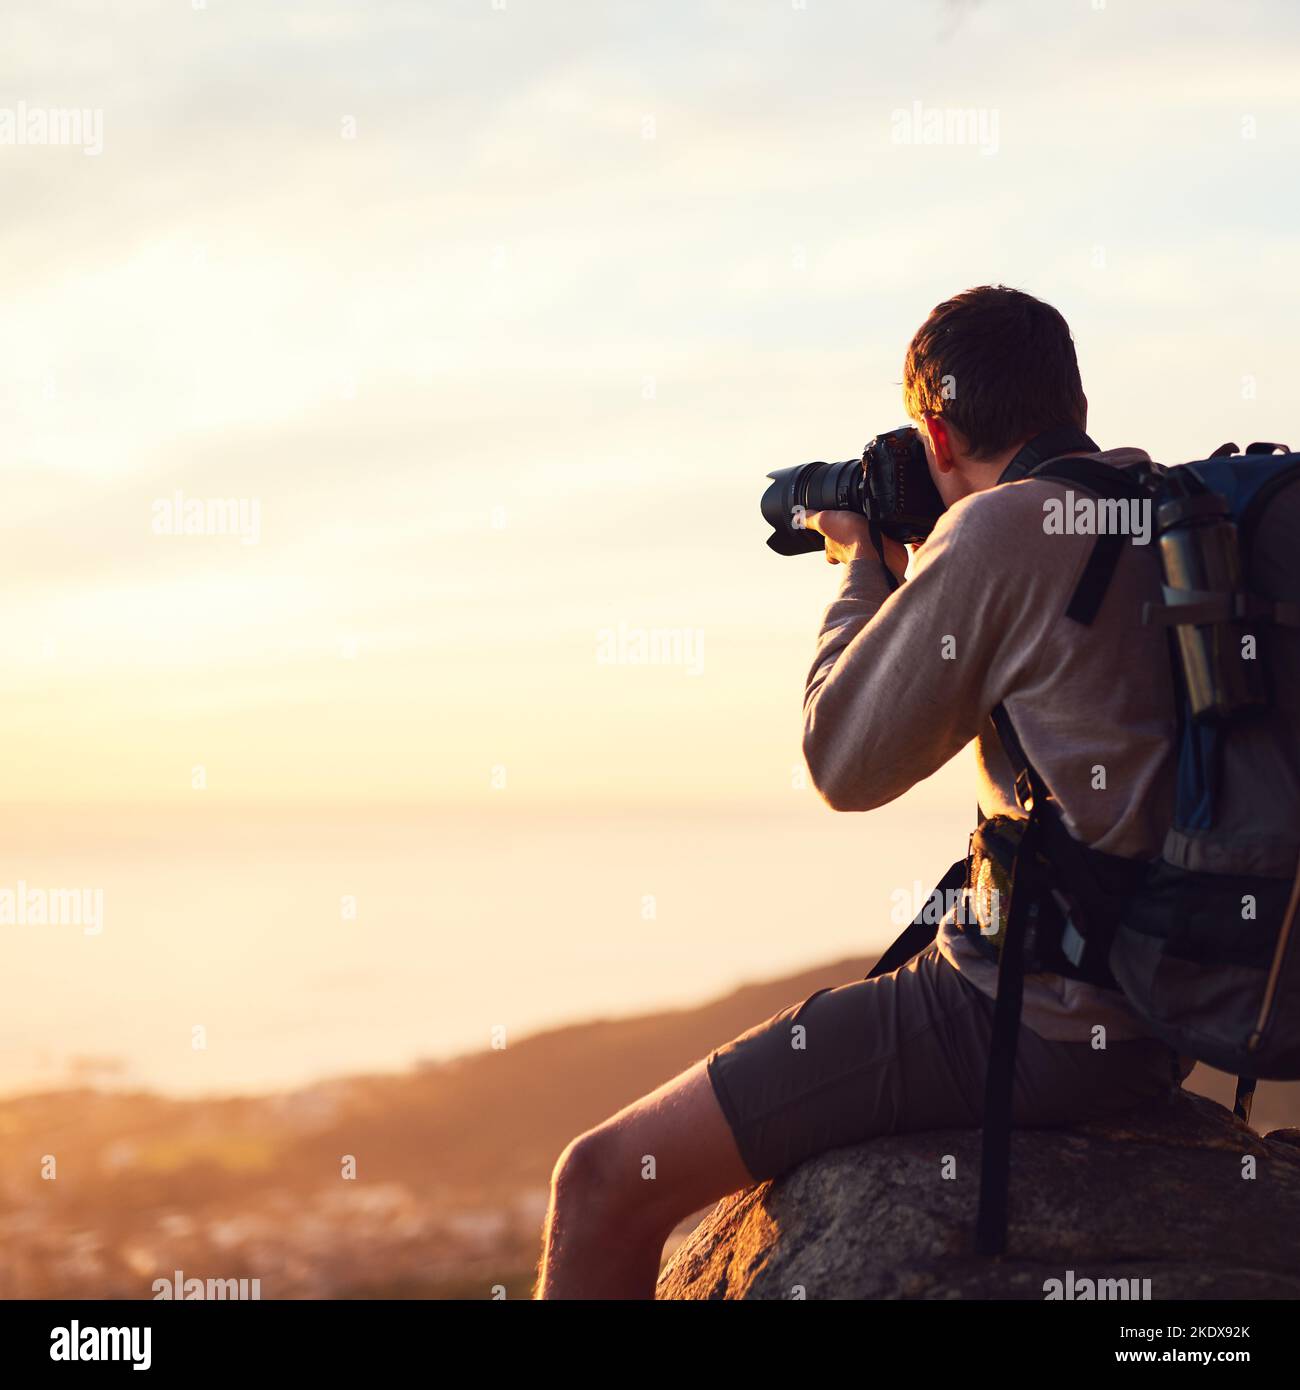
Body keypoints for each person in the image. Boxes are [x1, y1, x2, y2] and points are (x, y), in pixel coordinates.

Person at [535, 285, 1190, 1300]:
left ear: (934, 428)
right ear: (1076, 401)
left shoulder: (998, 536)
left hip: (1034, 1023)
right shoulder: (1169, 510)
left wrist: (857, 568)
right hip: (1177, 998)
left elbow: (842, 762)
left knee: (601, 1180)